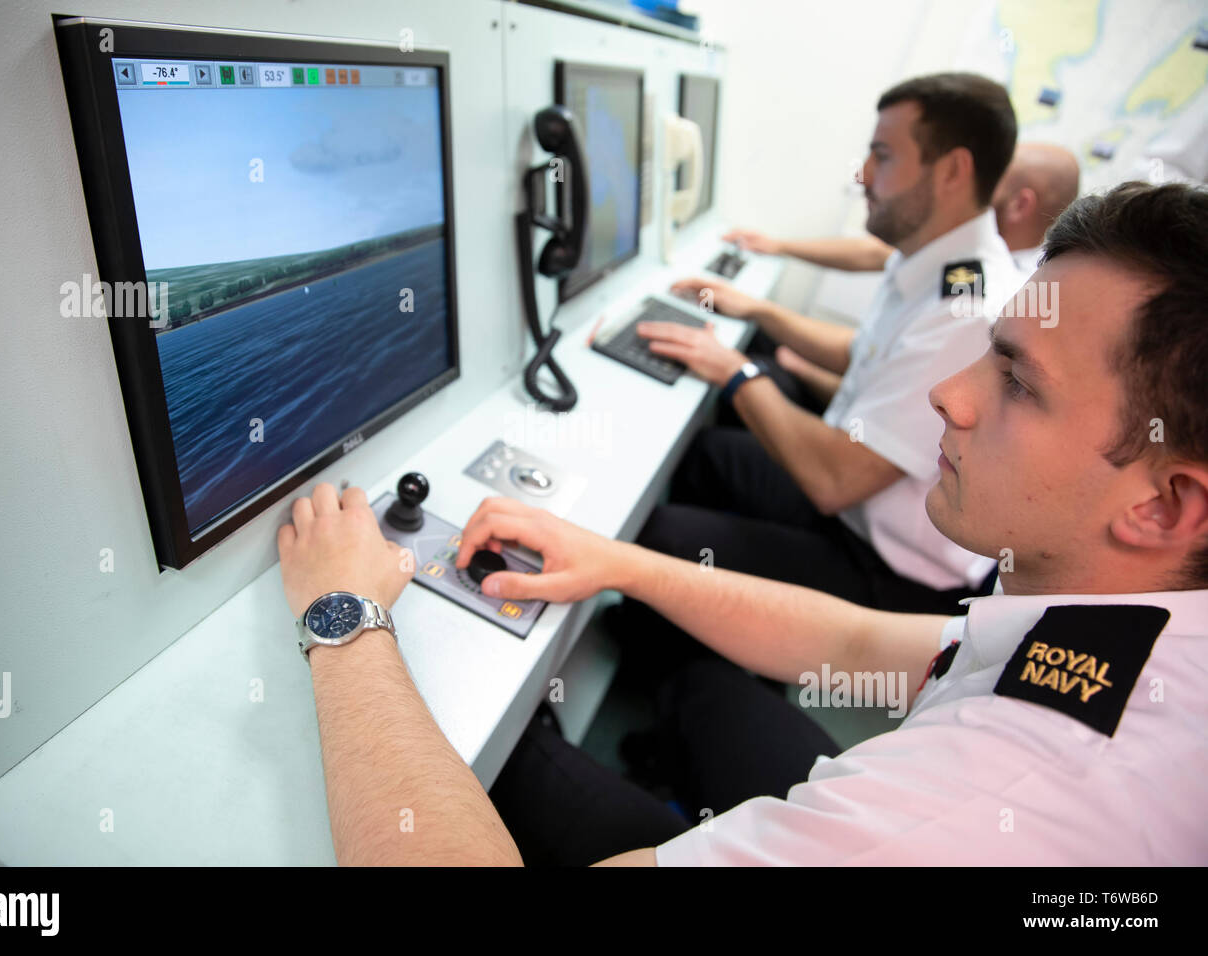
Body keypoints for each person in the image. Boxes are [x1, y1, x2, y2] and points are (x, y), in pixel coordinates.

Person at [276, 181, 1208, 865]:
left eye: (1015, 383)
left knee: (500, 760)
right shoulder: (1138, 630)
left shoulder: (990, 804)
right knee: (695, 679)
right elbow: (859, 641)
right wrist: (618, 562)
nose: (947, 396)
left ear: (1165, 504)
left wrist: (347, 616)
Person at [633, 73, 1021, 619]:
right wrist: (760, 311)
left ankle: (710, 668)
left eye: (882, 156)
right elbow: (868, 352)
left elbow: (833, 481)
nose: (863, 175)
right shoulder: (941, 259)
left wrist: (736, 370)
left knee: (661, 535)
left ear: (953, 170)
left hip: (881, 561)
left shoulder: (967, 313)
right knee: (706, 458)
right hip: (857, 498)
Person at [724, 141, 1080, 279]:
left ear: (1020, 205)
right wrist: (779, 246)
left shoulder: (997, 285)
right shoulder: (969, 251)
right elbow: (878, 254)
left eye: (988, 183)